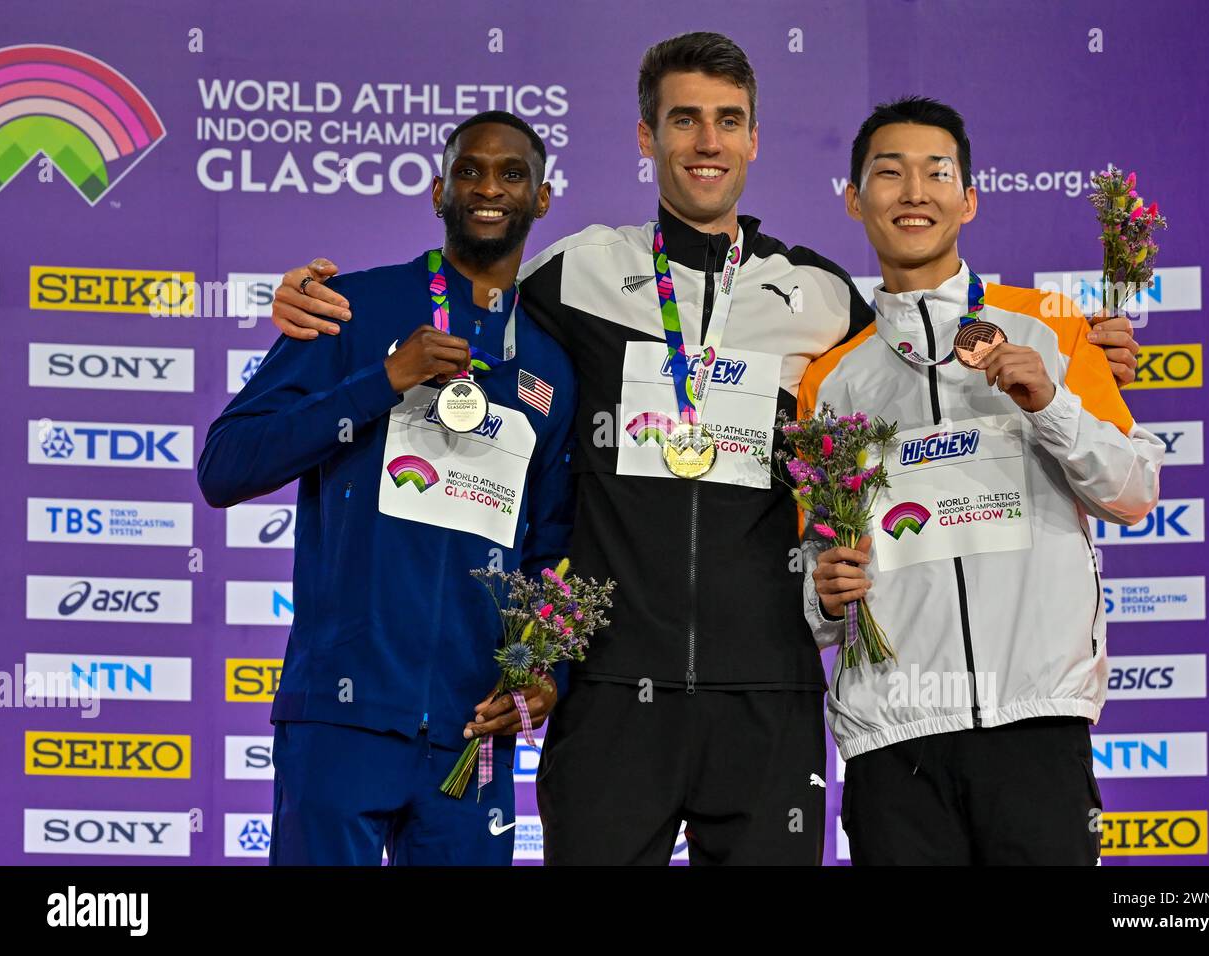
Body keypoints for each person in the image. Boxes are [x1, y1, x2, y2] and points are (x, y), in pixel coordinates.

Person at [267, 34, 1145, 866]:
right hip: (612, 695)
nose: (706, 141)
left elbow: (920, 362)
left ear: (755, 140)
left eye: (727, 119)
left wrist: (1084, 350)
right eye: (683, 119)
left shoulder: (821, 296)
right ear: (647, 138)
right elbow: (473, 293)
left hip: (768, 696)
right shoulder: (578, 271)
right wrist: (319, 306)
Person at [198, 111, 576, 865]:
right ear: (439, 191)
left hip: (473, 735)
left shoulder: (550, 367)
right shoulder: (356, 310)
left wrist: (544, 673)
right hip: (343, 717)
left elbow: (551, 548)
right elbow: (227, 466)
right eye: (469, 171)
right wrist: (383, 380)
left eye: (511, 175)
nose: (488, 189)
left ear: (541, 199)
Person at [801, 96, 1165, 865]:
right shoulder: (831, 379)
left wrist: (1051, 404)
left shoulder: (1054, 329)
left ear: (969, 197)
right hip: (892, 737)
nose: (914, 192)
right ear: (853, 199)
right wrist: (819, 592)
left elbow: (1133, 493)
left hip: (1036, 727)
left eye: (938, 173)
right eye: (888, 173)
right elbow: (820, 576)